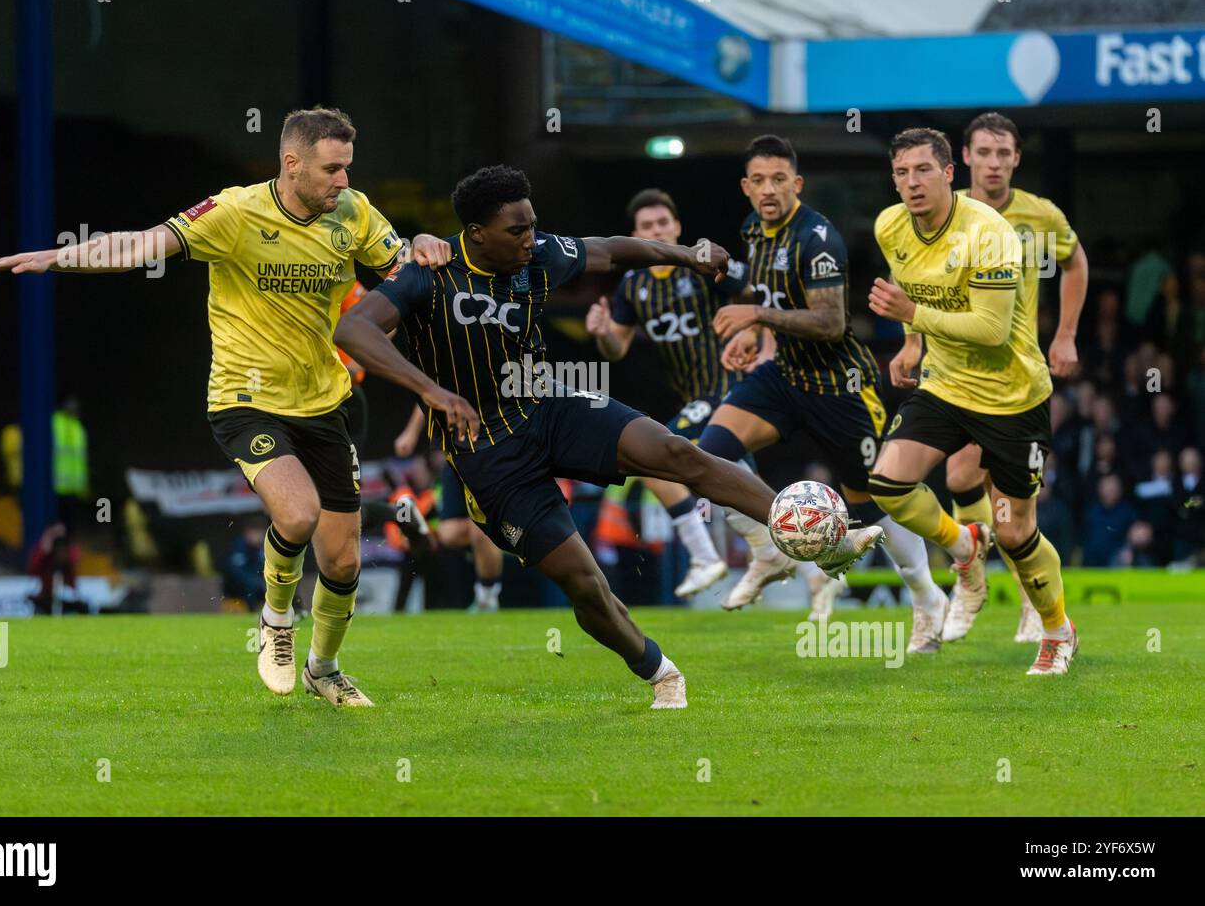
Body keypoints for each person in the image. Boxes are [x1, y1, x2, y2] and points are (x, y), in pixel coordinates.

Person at [334, 165, 882, 709]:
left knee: (677, 452)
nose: (531, 239)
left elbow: (611, 249)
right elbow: (353, 329)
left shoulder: (538, 255)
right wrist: (431, 391)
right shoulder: (429, 272)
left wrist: (687, 254)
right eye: (517, 231)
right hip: (489, 452)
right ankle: (660, 671)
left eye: (532, 226)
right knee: (585, 584)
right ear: (477, 234)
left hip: (547, 402)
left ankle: (822, 539)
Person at [0, 106, 444, 708]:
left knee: (342, 558)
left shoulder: (352, 214)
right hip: (245, 400)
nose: (343, 182)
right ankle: (276, 622)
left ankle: (323, 667)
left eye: (348, 169)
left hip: (325, 399)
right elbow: (145, 244)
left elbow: (404, 270)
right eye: (332, 170)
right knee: (298, 516)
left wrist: (428, 246)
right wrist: (60, 256)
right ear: (292, 163)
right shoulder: (233, 212)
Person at [693, 135, 940, 647]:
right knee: (708, 454)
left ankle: (927, 598)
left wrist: (756, 316)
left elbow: (829, 323)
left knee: (878, 507)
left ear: (796, 184)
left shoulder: (818, 237)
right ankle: (768, 548)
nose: (769, 189)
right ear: (745, 187)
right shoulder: (752, 230)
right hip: (784, 377)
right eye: (758, 180)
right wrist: (754, 336)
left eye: (779, 179)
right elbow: (768, 293)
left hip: (841, 387)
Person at [869, 127, 1077, 675]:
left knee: (1015, 530)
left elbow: (989, 329)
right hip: (945, 388)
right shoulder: (890, 225)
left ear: (947, 173)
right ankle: (963, 545)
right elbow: (912, 279)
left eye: (921, 170)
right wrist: (912, 344)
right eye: (900, 172)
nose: (910, 183)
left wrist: (911, 319)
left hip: (1012, 398)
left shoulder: (990, 232)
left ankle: (1057, 629)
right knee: (888, 483)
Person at [918, 112, 1089, 644]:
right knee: (961, 477)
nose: (994, 163)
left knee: (1009, 508)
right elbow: (913, 283)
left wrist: (1065, 334)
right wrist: (907, 342)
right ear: (964, 158)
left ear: (1016, 159)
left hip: (1015, 379)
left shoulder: (1040, 216)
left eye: (1004, 154)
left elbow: (1076, 262)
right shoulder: (942, 216)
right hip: (952, 373)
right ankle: (975, 574)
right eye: (984, 153)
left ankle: (1027, 602)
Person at [584, 188, 752, 599]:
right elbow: (617, 350)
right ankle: (813, 556)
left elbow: (753, 292)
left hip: (728, 389)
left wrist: (757, 338)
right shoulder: (632, 285)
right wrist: (604, 332)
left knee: (650, 458)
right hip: (694, 398)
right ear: (636, 234)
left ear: (677, 227)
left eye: (663, 223)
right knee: (743, 489)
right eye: (647, 226)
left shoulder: (701, 267)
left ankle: (704, 556)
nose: (656, 230)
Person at [395, 406, 505, 611]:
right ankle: (494, 543)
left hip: (488, 454)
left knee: (479, 530)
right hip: (455, 456)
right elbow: (427, 393)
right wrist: (411, 433)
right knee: (450, 533)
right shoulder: (443, 378)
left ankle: (487, 598)